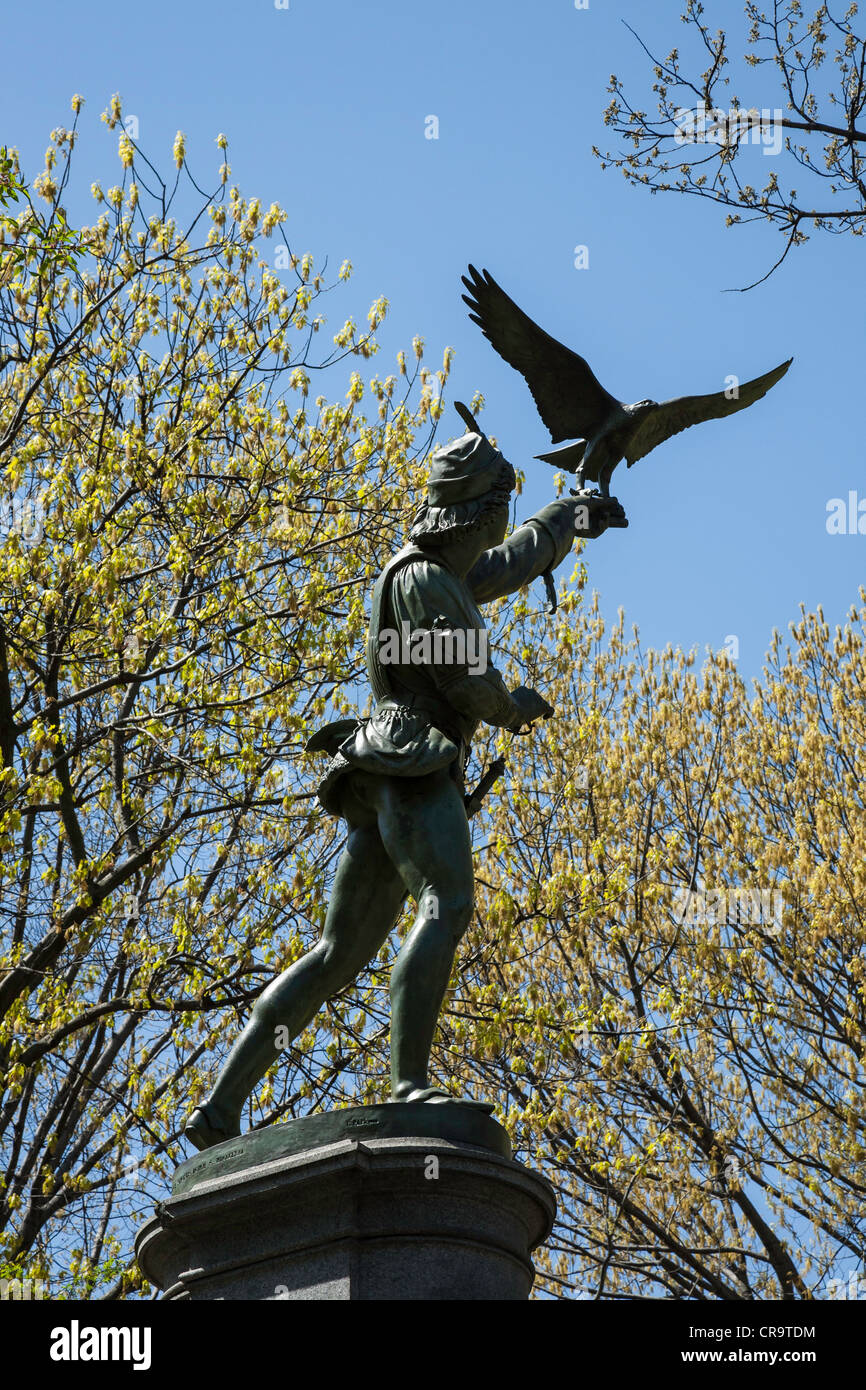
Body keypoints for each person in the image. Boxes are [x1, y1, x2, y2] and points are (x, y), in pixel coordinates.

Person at [185, 424, 625, 1149]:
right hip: (416, 762)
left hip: (387, 769)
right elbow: (465, 674)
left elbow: (515, 563)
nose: (506, 521)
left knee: (337, 954)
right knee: (446, 903)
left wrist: (573, 516)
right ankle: (409, 1083)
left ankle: (222, 1104)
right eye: (504, 504)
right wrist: (513, 708)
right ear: (481, 512)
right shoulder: (423, 579)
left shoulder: (441, 573)